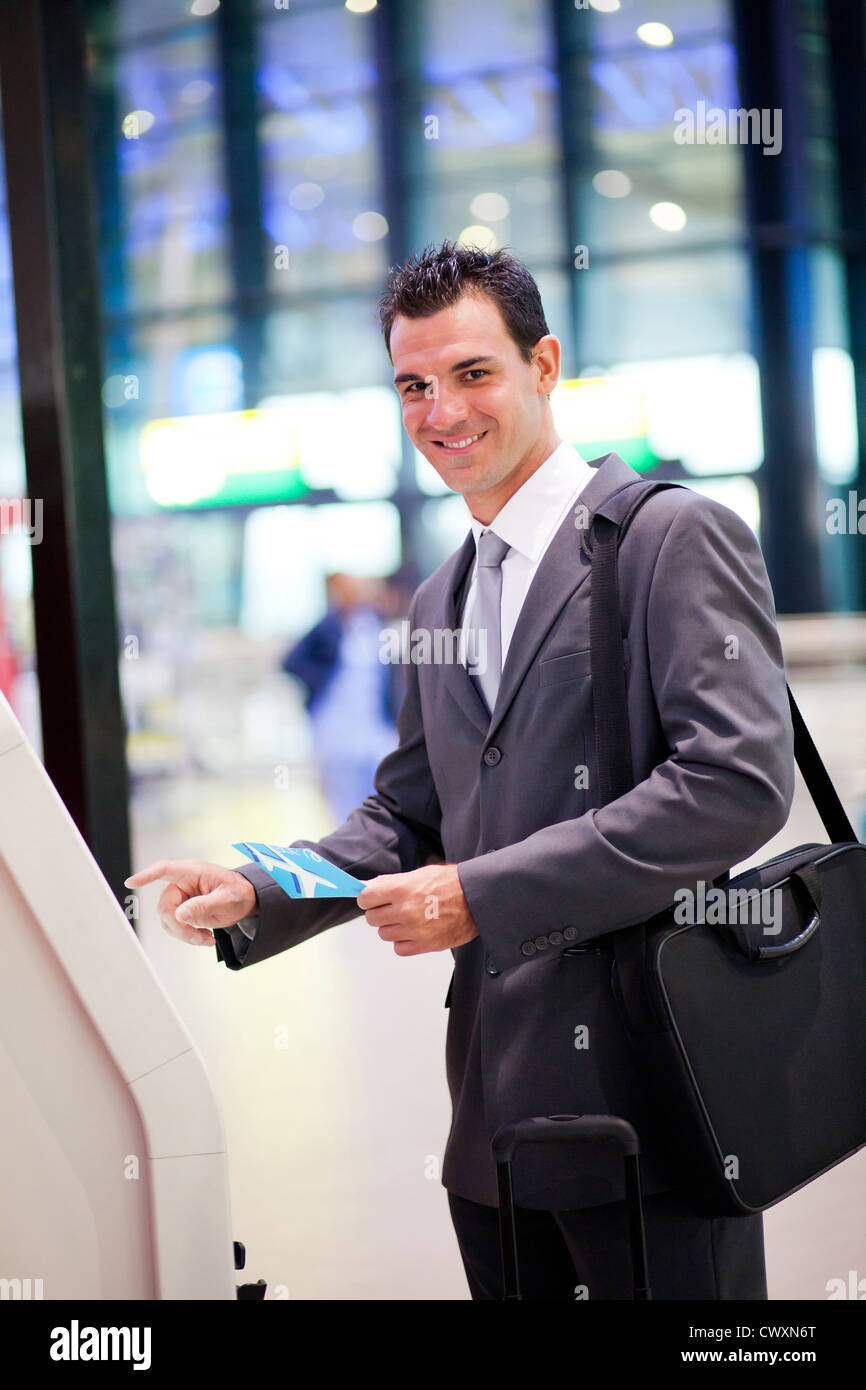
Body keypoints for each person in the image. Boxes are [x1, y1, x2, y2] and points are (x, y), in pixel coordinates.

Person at [126, 240, 795, 1300]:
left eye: (471, 373)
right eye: (412, 384)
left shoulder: (667, 540)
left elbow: (733, 783)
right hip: (491, 1121)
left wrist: (479, 894)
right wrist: (265, 887)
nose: (440, 411)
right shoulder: (438, 598)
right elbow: (407, 814)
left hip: (653, 1106)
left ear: (544, 365)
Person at [280, 573, 400, 825]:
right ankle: (348, 859)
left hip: (375, 726)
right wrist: (321, 682)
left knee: (382, 793)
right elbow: (290, 662)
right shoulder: (328, 627)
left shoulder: (375, 624)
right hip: (336, 727)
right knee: (344, 800)